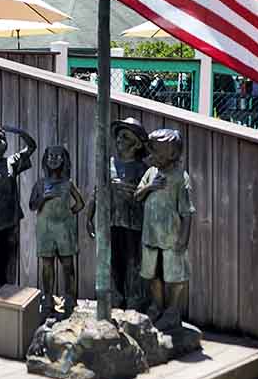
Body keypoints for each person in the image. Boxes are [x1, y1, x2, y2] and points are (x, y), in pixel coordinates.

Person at [135, 128, 195, 330]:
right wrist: (150, 186)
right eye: (152, 151)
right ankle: (157, 307)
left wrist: (183, 240)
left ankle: (172, 311)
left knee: (174, 275)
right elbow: (137, 195)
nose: (152, 156)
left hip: (171, 238)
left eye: (158, 153)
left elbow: (187, 212)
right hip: (150, 236)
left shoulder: (180, 177)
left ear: (172, 154)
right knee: (152, 274)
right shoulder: (151, 173)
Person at [86, 117, 149, 309]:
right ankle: (115, 299)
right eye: (119, 136)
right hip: (111, 222)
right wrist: (89, 217)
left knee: (133, 262)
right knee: (112, 261)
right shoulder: (109, 164)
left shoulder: (143, 169)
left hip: (134, 224)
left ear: (137, 144)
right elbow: (97, 191)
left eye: (125, 137)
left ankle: (133, 301)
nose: (119, 140)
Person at [0, 123, 36, 298]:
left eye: (2, 138)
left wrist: (19, 131)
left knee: (9, 257)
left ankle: (8, 294)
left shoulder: (11, 162)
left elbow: (31, 147)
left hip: (11, 218)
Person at [29, 145, 85, 317]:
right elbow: (32, 206)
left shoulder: (68, 184)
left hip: (64, 229)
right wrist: (43, 197)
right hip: (45, 228)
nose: (54, 159)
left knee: (68, 264)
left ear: (64, 160)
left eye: (58, 156)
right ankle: (47, 297)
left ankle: (70, 297)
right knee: (47, 264)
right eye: (50, 156)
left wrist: (68, 215)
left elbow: (80, 204)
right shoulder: (40, 184)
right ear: (45, 160)